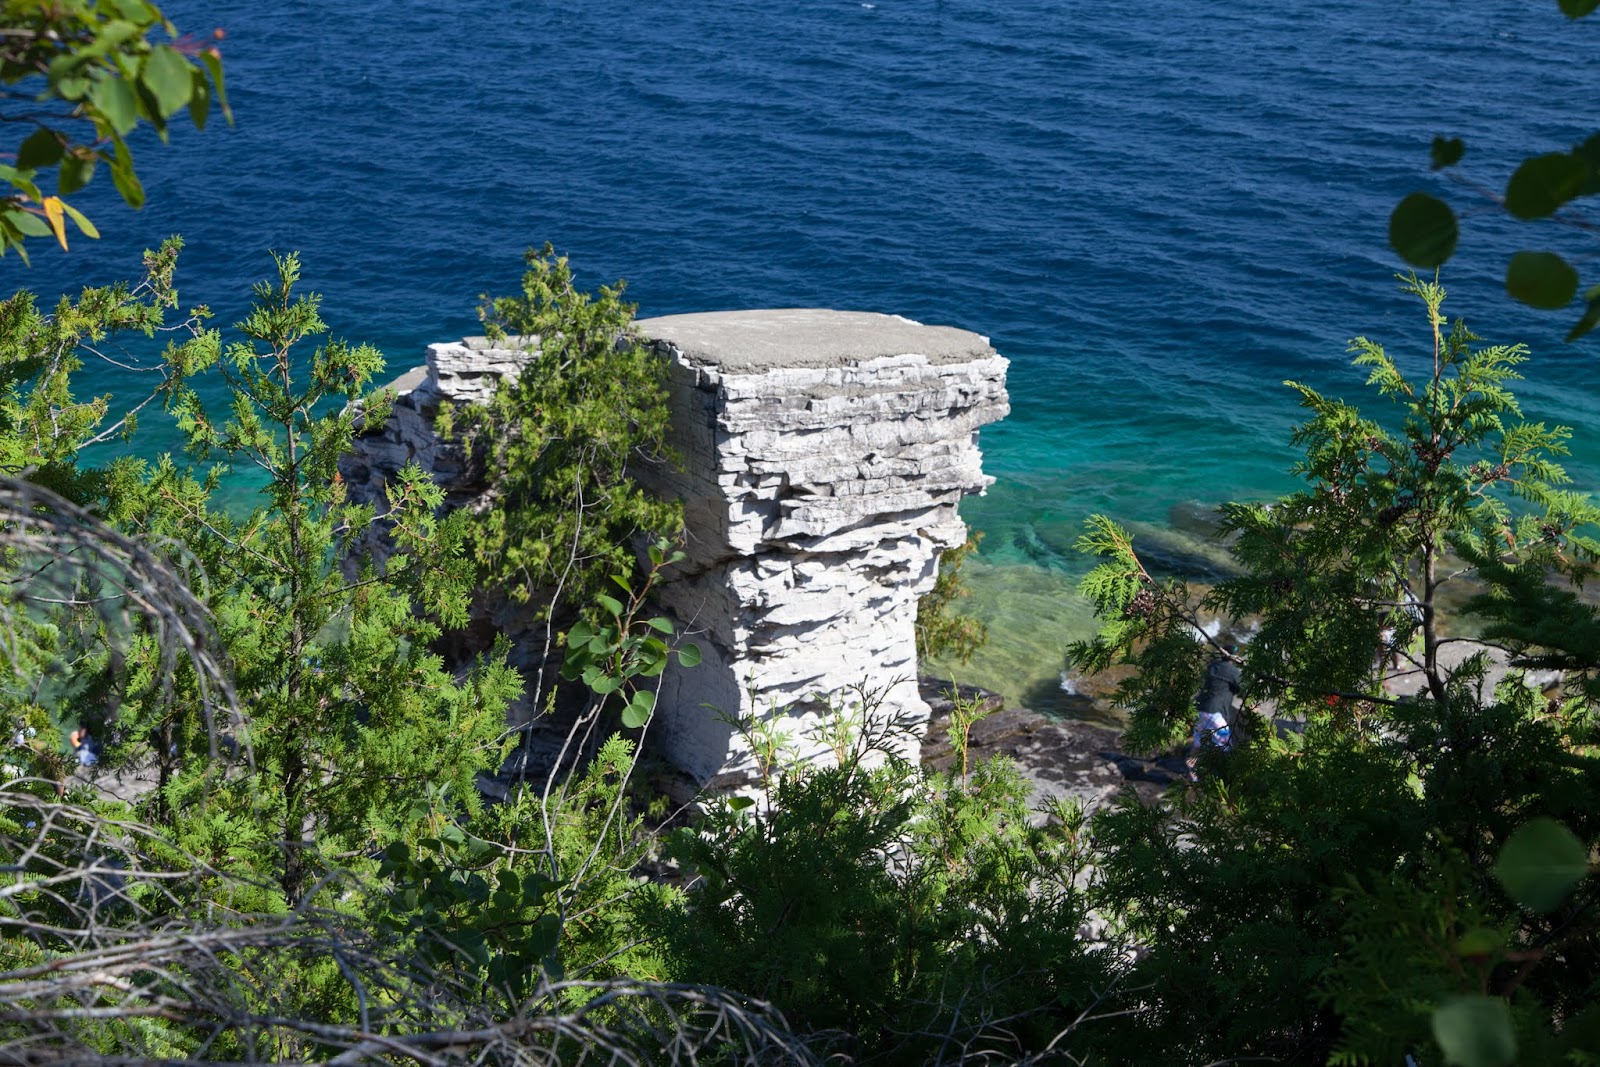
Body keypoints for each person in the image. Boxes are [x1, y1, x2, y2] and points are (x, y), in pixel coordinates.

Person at [1188, 640, 1243, 778]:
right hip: (1215, 712)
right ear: (1235, 657)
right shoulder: (1233, 671)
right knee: (1224, 745)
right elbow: (1244, 688)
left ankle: (1191, 774)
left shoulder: (1212, 666)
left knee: (1199, 743)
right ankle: (1220, 777)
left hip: (1200, 709)